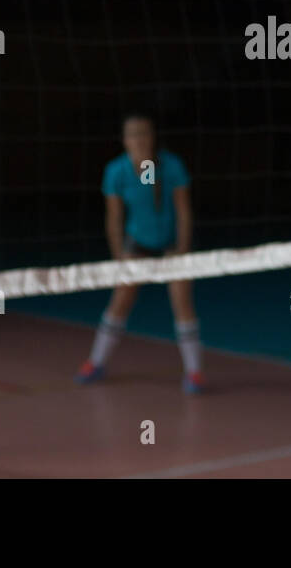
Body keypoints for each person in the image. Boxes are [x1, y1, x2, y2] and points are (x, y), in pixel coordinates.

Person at [75, 114, 202, 393]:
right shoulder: (116, 171)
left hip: (170, 243)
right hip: (138, 243)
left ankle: (194, 373)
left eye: (144, 133)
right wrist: (119, 255)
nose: (139, 139)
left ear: (153, 136)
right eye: (133, 134)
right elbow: (114, 217)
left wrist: (182, 250)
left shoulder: (171, 166)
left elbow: (183, 210)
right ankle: (96, 362)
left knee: (182, 300)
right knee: (121, 298)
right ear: (124, 140)